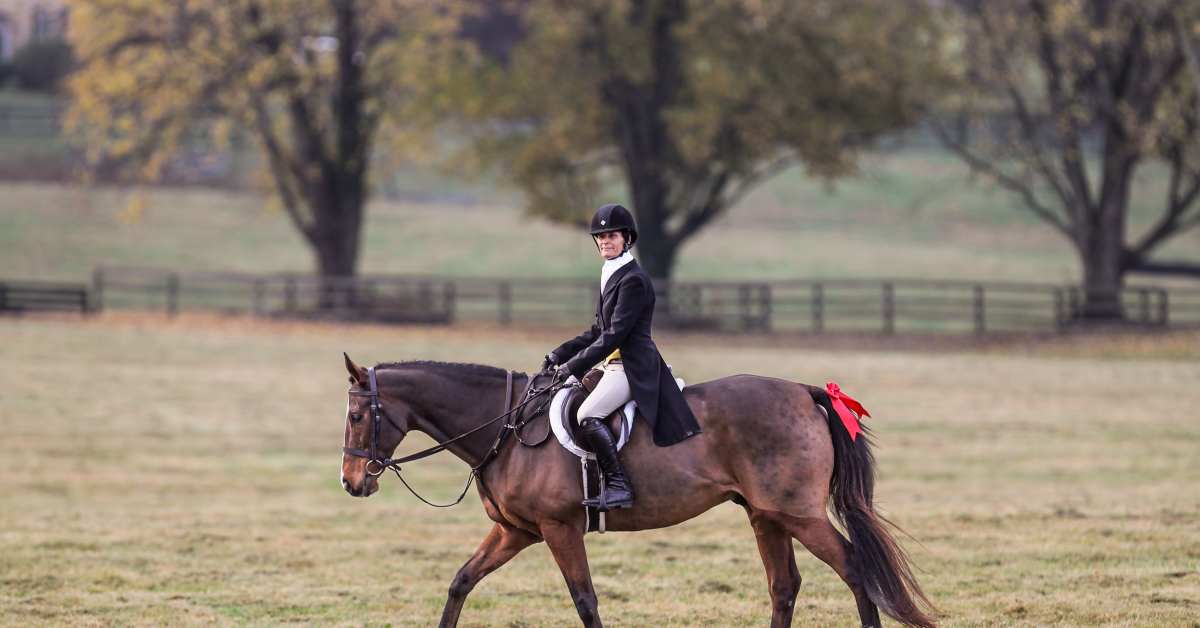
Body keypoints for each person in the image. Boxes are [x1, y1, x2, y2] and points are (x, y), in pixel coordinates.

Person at [541, 203, 702, 511]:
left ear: (627, 238)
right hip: (613, 364)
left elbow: (614, 336)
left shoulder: (633, 280)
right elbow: (597, 329)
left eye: (611, 235)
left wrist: (573, 368)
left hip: (631, 367)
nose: (605, 241)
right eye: (600, 237)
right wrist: (559, 353)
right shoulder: (611, 273)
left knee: (587, 415)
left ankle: (619, 486)